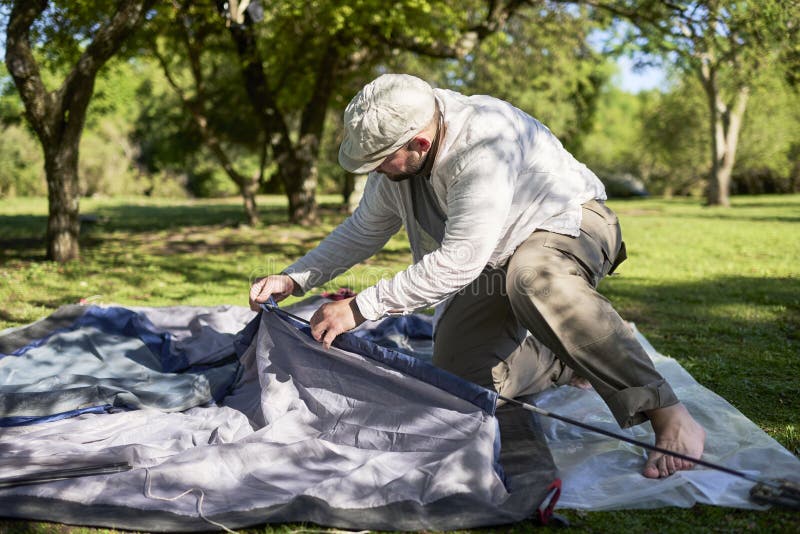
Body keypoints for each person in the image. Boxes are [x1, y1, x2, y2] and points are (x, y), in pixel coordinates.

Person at [249, 73, 705, 479]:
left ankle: (668, 412)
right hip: (494, 256)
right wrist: (293, 280)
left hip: (569, 223)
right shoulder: (397, 165)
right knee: (459, 381)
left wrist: (359, 307)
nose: (375, 173)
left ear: (420, 145)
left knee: (533, 279)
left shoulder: (482, 143)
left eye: (380, 161)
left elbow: (460, 260)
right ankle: (570, 354)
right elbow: (361, 231)